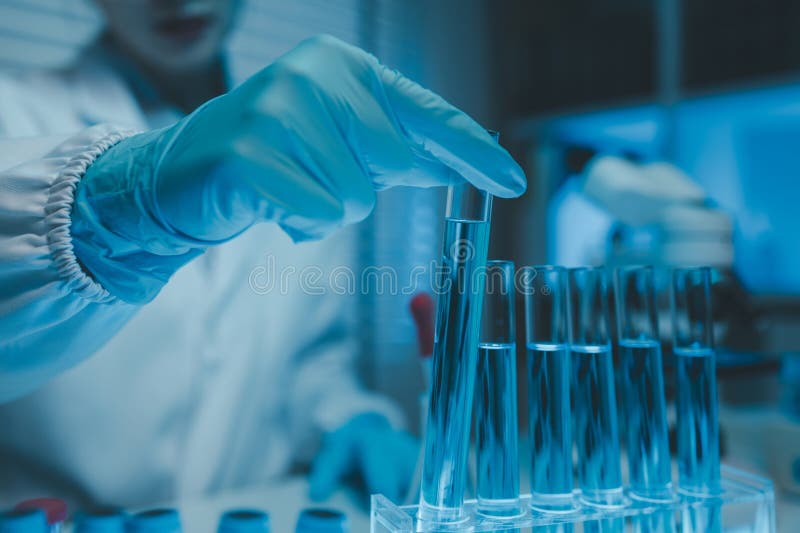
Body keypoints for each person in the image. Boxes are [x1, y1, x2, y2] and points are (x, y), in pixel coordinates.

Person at [0, 0, 525, 509]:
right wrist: (116, 197)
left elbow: (309, 361)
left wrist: (349, 417)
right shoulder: (14, 114)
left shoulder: (302, 138)